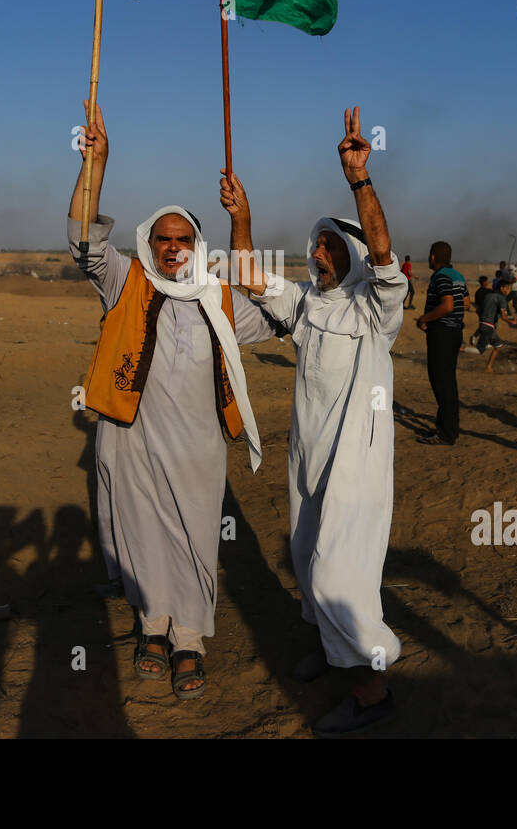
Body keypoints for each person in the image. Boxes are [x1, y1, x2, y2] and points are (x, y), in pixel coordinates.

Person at [68, 101, 277, 700]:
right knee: (144, 535)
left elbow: (270, 307)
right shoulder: (124, 282)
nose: (173, 247)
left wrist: (242, 221)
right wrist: (96, 164)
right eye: (163, 238)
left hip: (198, 447)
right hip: (132, 438)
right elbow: (82, 240)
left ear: (197, 244)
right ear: (148, 242)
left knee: (194, 535)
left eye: (184, 239)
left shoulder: (220, 300)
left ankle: (189, 639)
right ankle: (153, 629)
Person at [221, 106, 403, 736]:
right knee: (305, 555)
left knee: (337, 571)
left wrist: (358, 179)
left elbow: (384, 251)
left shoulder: (377, 306)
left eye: (334, 245)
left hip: (357, 464)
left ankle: (372, 693)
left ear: (353, 255)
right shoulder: (304, 304)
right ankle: (332, 652)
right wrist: (242, 219)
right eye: (318, 243)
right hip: (309, 455)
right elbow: (248, 276)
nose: (322, 253)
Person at [416, 242, 468, 445]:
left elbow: (447, 305)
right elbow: (465, 303)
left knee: (441, 382)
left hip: (442, 334)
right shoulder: (458, 276)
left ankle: (446, 434)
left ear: (432, 257)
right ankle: (448, 428)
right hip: (454, 332)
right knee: (448, 382)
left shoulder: (440, 276)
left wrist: (425, 318)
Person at [476, 279, 517, 373]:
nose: (508, 290)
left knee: (492, 346)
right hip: (488, 325)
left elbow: (478, 310)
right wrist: (511, 322)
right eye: (507, 288)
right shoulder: (501, 299)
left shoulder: (488, 296)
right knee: (492, 347)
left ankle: (489, 367)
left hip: (482, 323)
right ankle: (488, 367)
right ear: (501, 288)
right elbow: (504, 317)